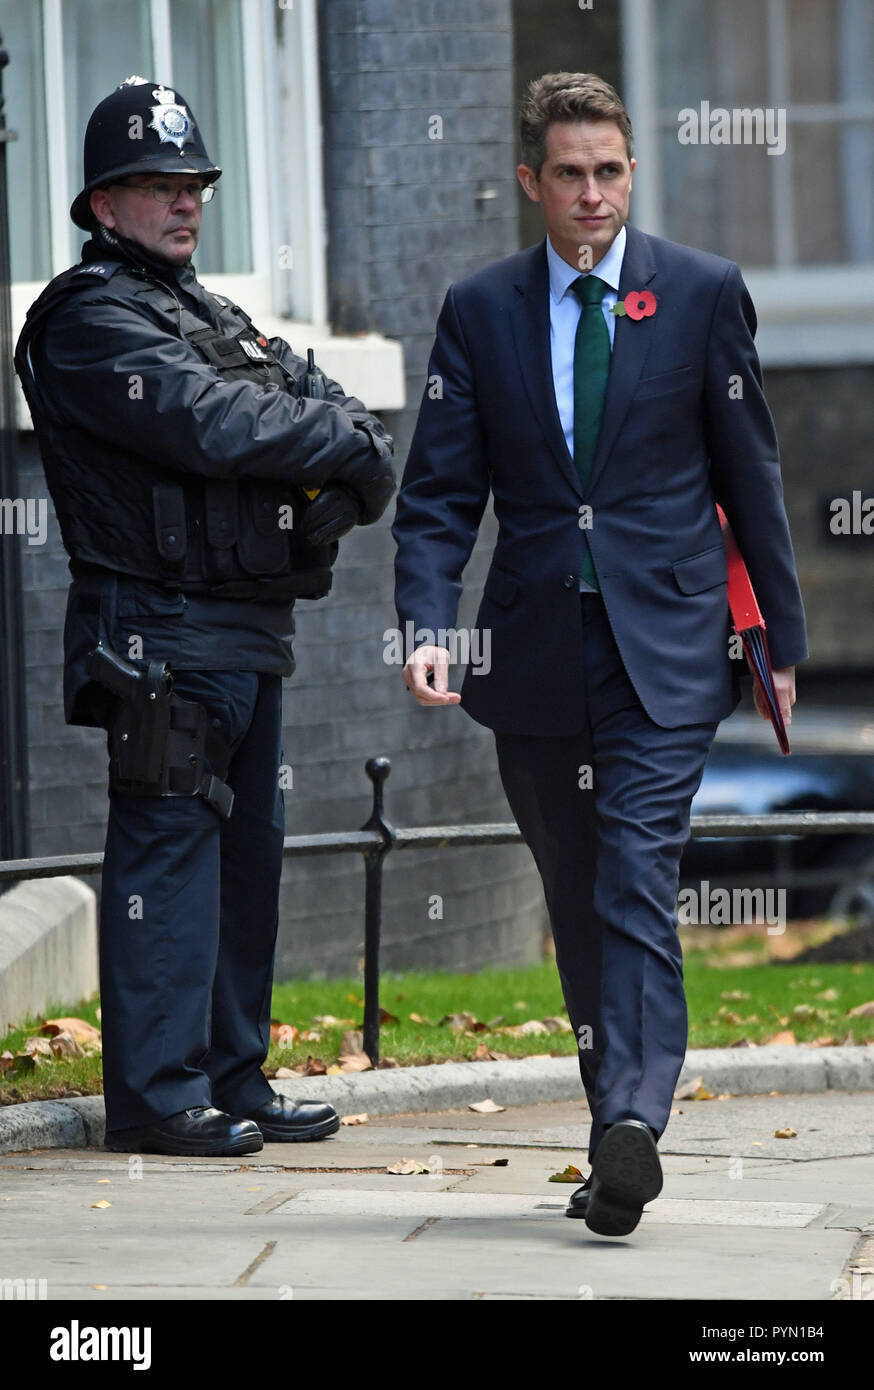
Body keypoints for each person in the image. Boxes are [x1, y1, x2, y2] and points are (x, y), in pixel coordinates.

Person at [391, 72, 806, 1236]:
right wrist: (429, 624)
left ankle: (635, 1113)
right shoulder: (478, 310)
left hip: (665, 649)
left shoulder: (702, 295)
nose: (592, 196)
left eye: (609, 172)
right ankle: (609, 1135)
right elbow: (435, 496)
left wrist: (777, 637)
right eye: (568, 174)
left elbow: (750, 473)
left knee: (632, 870)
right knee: (578, 896)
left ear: (632, 173)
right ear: (532, 181)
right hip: (530, 653)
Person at [14, 77, 395, 1158]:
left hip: (246, 628)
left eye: (193, 185)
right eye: (155, 185)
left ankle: (235, 1075)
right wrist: (335, 446)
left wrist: (345, 447)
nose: (183, 204)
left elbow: (346, 420)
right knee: (168, 861)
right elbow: (210, 423)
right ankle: (156, 1096)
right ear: (100, 204)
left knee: (247, 863)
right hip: (158, 632)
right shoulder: (88, 318)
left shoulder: (212, 313)